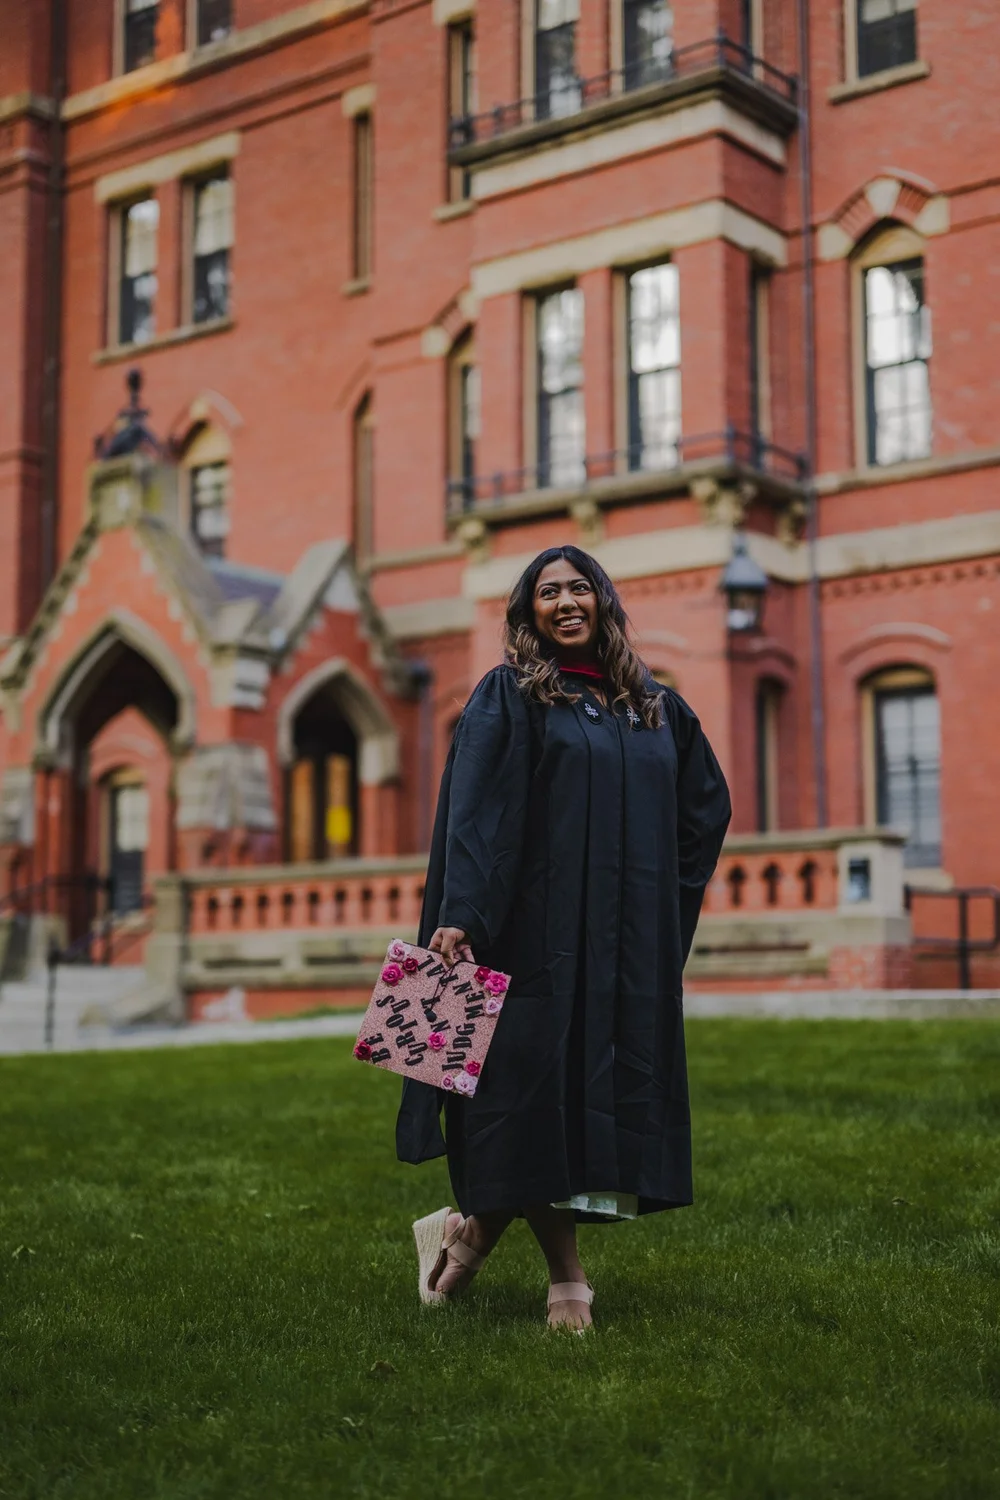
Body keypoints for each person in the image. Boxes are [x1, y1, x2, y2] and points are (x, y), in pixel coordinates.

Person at [397, 545, 731, 1330]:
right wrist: (463, 912)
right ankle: (567, 1278)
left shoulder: (655, 710)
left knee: (585, 1108)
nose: (567, 602)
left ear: (605, 601)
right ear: (529, 612)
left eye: (581, 587)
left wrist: (656, 907)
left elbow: (703, 815)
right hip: (529, 937)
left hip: (619, 948)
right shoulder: (509, 696)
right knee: (531, 1103)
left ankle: (469, 1234)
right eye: (549, 592)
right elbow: (477, 815)